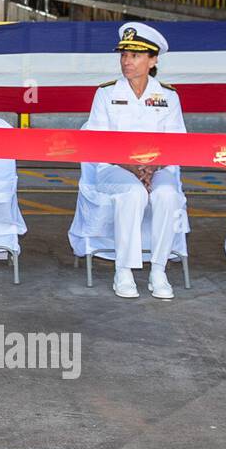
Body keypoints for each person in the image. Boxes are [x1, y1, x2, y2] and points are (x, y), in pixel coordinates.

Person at [74, 22, 188, 299]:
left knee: (167, 195)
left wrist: (150, 167)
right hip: (113, 167)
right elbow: (98, 141)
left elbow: (176, 142)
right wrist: (132, 167)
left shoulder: (169, 96)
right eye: (124, 55)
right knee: (133, 193)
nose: (127, 61)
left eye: (135, 55)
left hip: (157, 167)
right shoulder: (106, 93)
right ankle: (123, 271)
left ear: (153, 60)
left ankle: (158, 270)